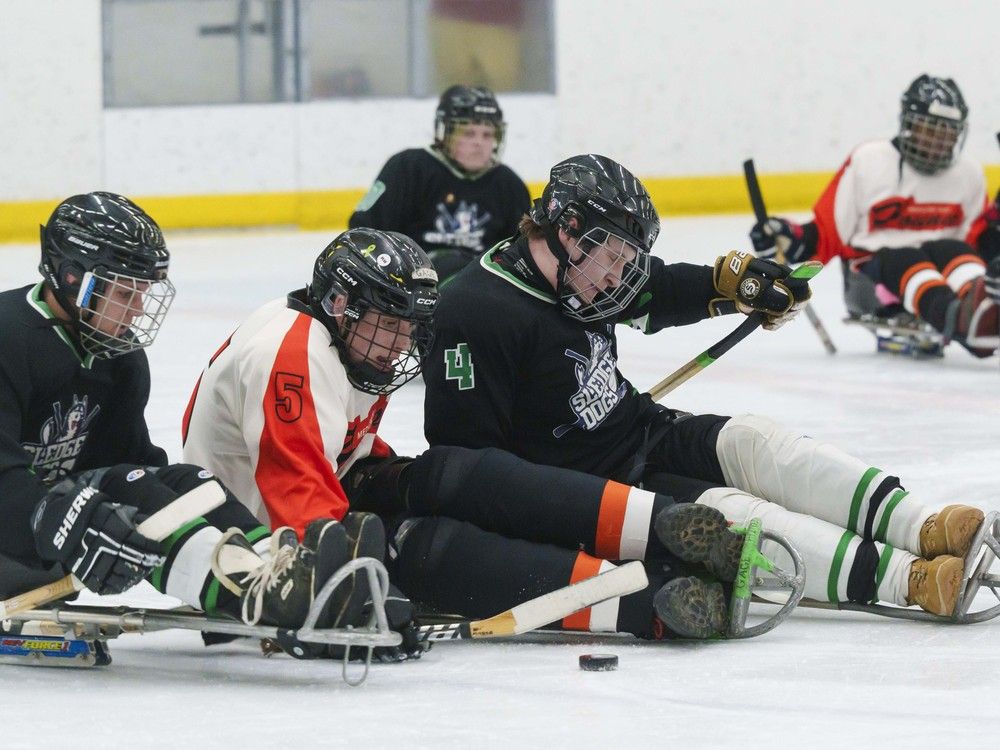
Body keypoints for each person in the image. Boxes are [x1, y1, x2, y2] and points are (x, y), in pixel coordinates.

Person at [422, 153, 993, 633]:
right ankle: (911, 581)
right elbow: (471, 469)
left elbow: (657, 290)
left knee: (758, 442)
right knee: (736, 516)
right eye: (614, 258)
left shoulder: (583, 272)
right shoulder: (475, 313)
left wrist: (735, 287)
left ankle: (924, 524)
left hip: (643, 429)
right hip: (601, 492)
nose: (621, 275)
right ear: (567, 229)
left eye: (627, 259)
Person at [181, 226, 777, 642]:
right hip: (263, 538)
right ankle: (648, 602)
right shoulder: (288, 353)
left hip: (327, 488)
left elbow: (339, 451)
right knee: (431, 547)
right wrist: (347, 575)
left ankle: (659, 532)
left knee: (462, 470)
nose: (399, 344)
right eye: (388, 324)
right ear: (340, 305)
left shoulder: (347, 344)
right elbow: (294, 484)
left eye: (408, 327)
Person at [0, 192, 371, 645]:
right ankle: (255, 594)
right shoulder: (7, 337)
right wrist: (55, 517)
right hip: (14, 525)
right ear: (72, 276)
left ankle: (278, 569)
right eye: (124, 292)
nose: (137, 308)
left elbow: (129, 466)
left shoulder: (121, 358)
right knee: (119, 498)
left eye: (142, 292)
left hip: (40, 522)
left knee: (177, 481)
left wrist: (137, 502)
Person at [748, 74, 999, 357]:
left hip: (941, 267)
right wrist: (786, 236)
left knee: (954, 248)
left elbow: (979, 241)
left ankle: (987, 309)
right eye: (930, 130)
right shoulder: (869, 161)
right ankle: (961, 318)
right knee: (904, 256)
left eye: (947, 133)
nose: (937, 142)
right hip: (870, 280)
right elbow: (826, 234)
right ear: (908, 125)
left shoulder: (968, 173)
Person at [349, 84, 531, 284]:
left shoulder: (509, 185)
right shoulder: (407, 168)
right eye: (468, 133)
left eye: (487, 135)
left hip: (479, 287)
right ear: (445, 134)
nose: (479, 142)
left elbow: (523, 254)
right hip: (408, 284)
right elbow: (363, 230)